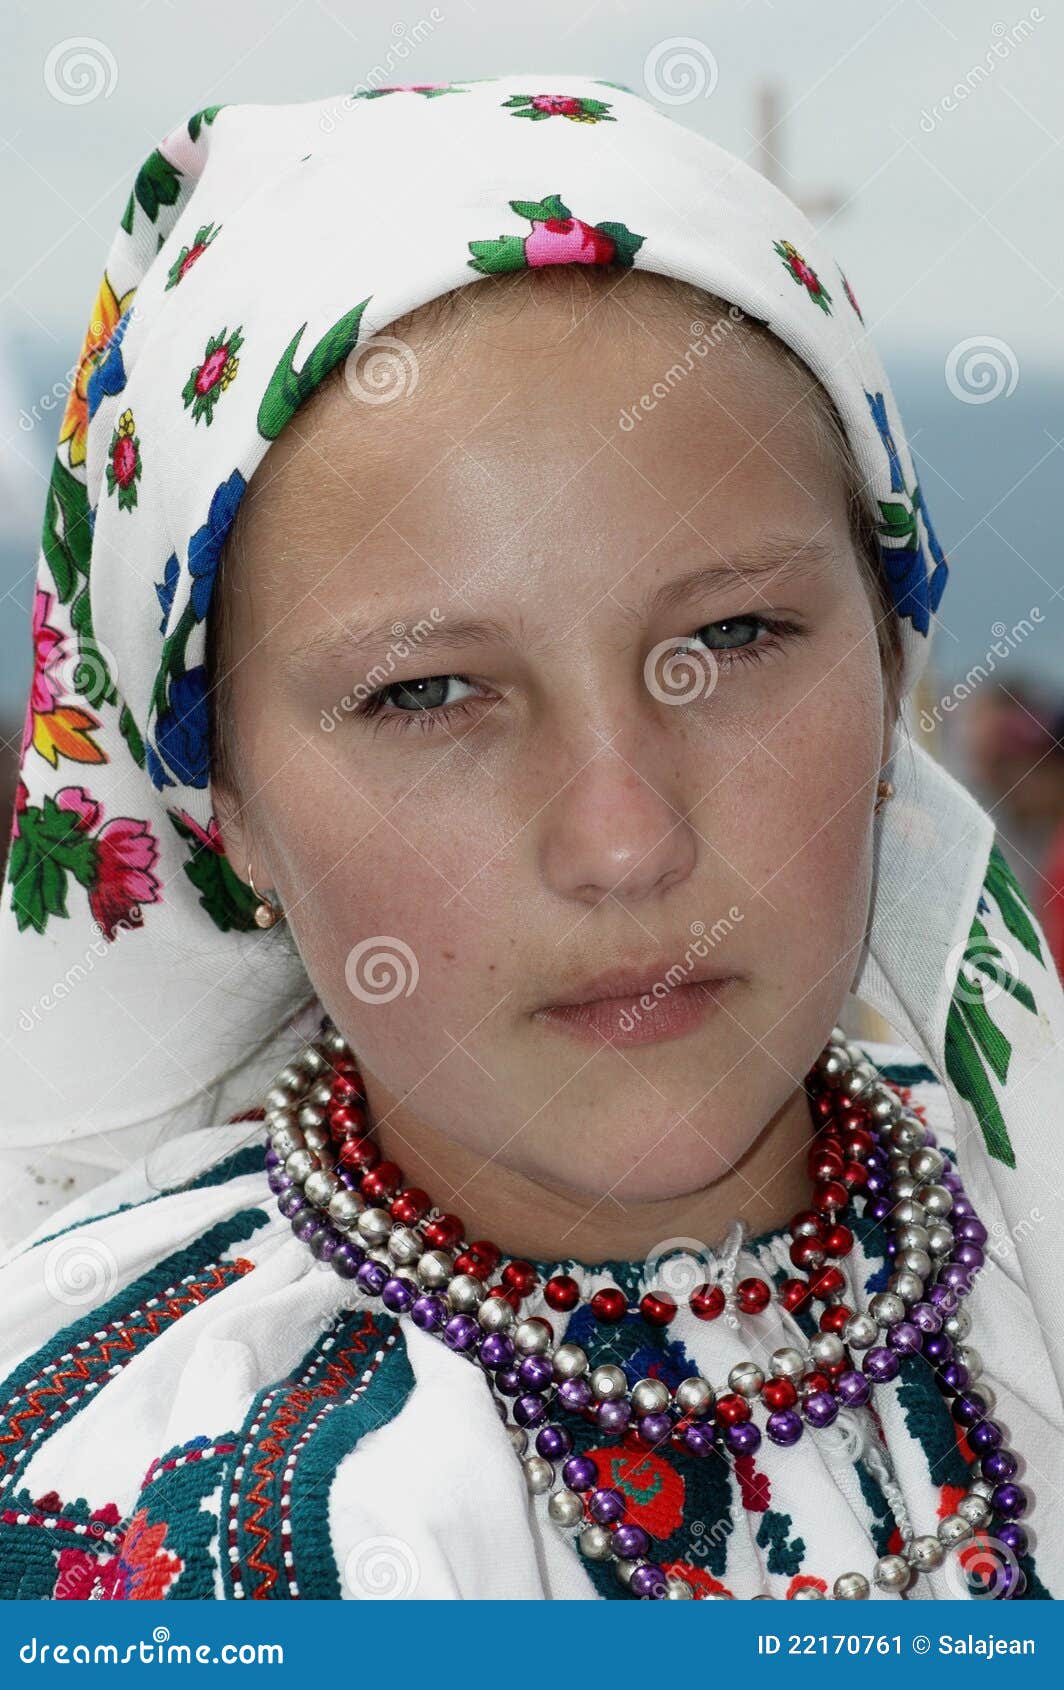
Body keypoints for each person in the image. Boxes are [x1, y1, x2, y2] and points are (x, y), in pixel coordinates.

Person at [1, 74, 1062, 1603]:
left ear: (895, 668)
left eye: (736, 634)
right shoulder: (171, 1528)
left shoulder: (1017, 1254)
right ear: (220, 808)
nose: (626, 841)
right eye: (428, 693)